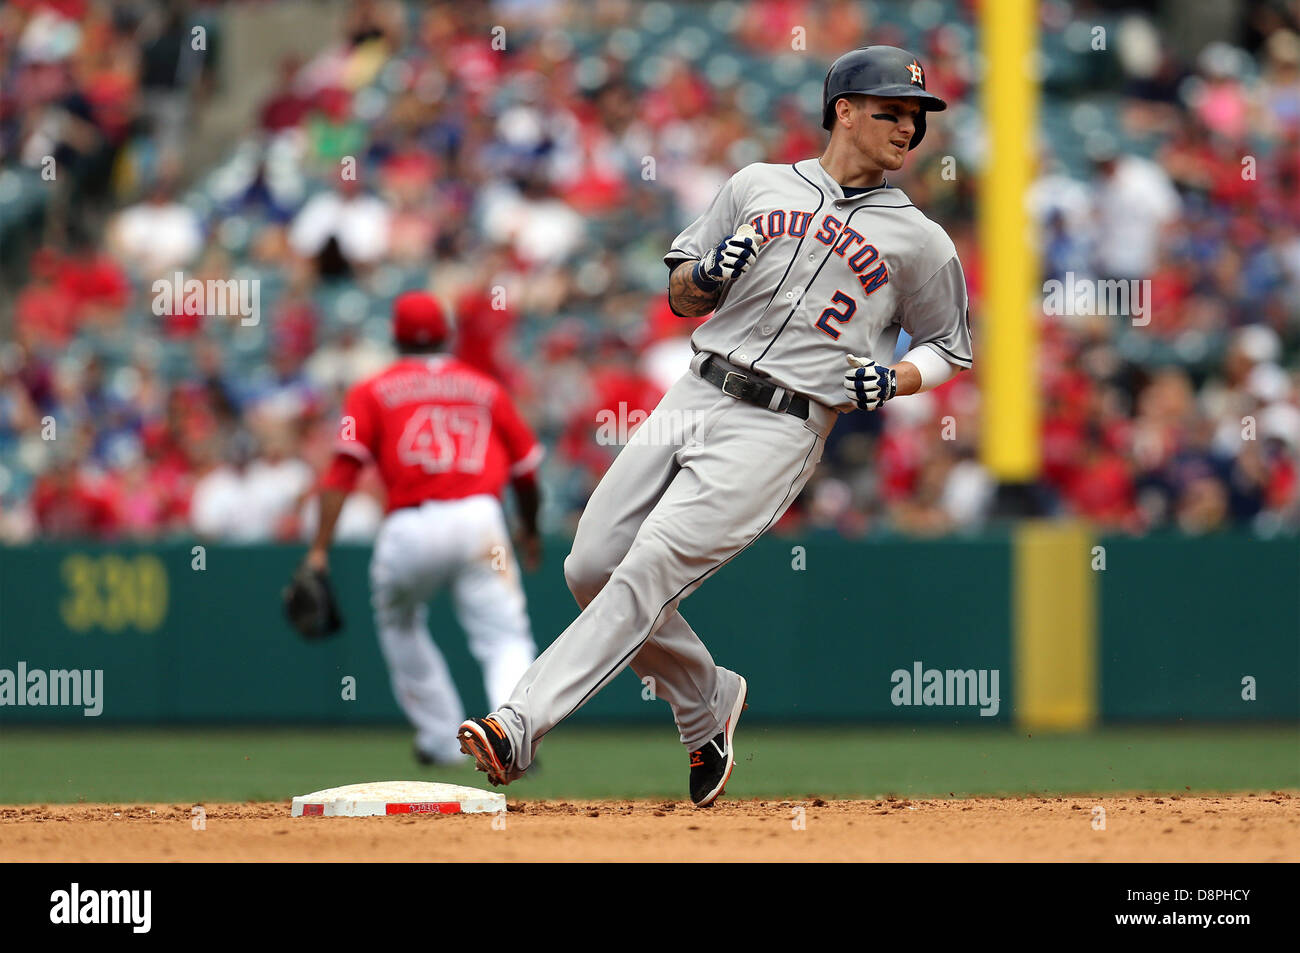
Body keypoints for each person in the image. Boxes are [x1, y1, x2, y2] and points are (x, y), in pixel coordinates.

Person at [458, 46, 974, 806]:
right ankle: (706, 702)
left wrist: (895, 378)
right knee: (590, 565)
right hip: (694, 391)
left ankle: (517, 723)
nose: (908, 128)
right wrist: (706, 275)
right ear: (843, 110)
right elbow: (681, 295)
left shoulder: (919, 240)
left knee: (648, 568)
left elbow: (952, 347)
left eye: (916, 117)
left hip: (782, 424)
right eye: (892, 110)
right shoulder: (756, 185)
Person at [307, 291, 543, 765]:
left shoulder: (372, 389)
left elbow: (341, 473)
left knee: (399, 622)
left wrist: (318, 550)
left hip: (409, 525)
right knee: (505, 636)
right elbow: (527, 470)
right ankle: (513, 737)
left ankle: (440, 739)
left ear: (395, 337)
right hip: (481, 522)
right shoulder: (486, 387)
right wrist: (530, 530)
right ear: (446, 334)